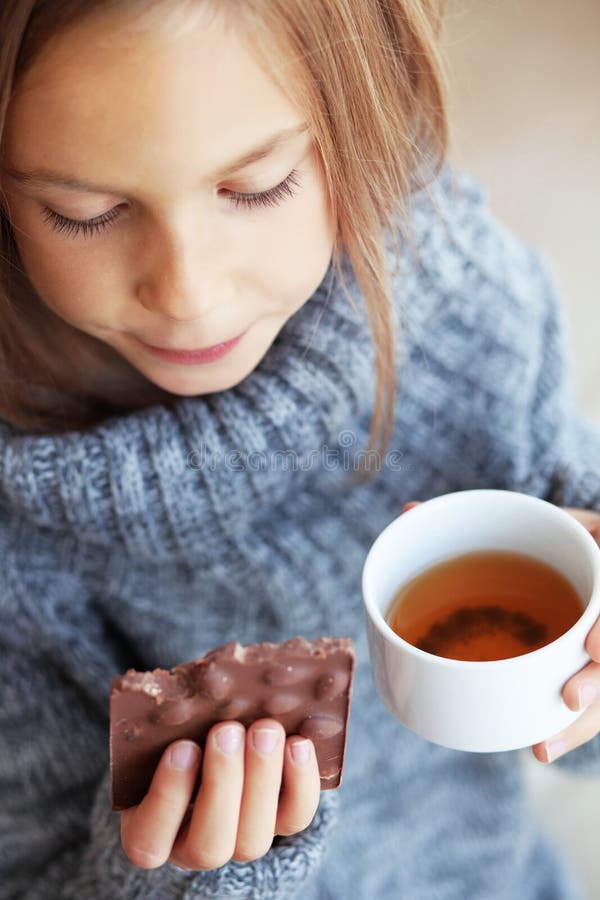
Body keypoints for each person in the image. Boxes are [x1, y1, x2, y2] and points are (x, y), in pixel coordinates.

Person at [0, 1, 599, 898]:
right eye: (85, 213)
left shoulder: (467, 307)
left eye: (257, 187)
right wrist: (173, 878)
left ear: (364, 109)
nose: (189, 295)